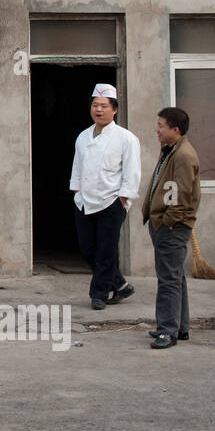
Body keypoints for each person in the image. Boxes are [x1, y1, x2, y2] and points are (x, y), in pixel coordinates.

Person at [69, 84, 142, 310]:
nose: (98, 110)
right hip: (85, 201)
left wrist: (122, 200)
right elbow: (77, 168)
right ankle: (119, 284)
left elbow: (132, 173)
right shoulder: (83, 137)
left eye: (103, 106)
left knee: (106, 250)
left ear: (114, 110)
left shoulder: (126, 138)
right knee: (87, 247)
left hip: (111, 201)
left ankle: (99, 294)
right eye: (95, 105)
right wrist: (76, 192)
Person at [141, 106, 201, 349]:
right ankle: (180, 327)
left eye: (161, 126)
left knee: (168, 280)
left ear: (175, 130)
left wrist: (168, 222)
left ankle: (168, 330)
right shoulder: (170, 150)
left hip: (172, 227)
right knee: (176, 277)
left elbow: (181, 195)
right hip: (165, 224)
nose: (156, 129)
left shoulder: (183, 156)